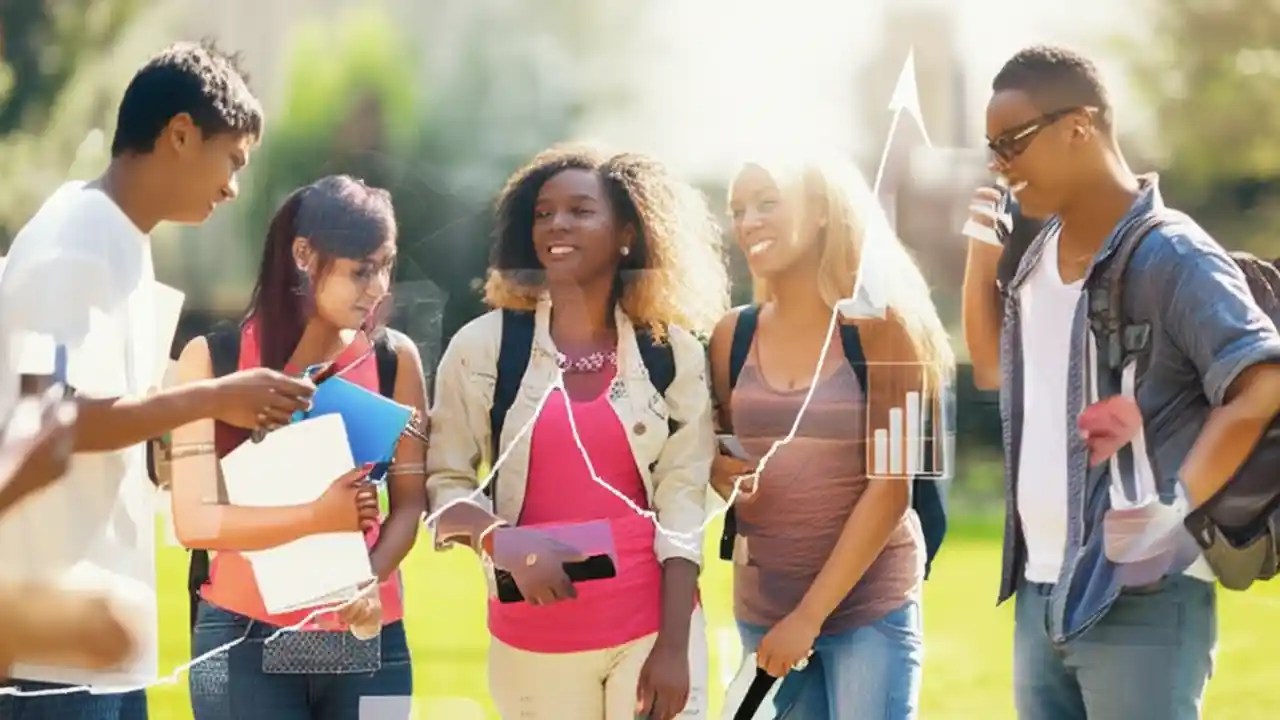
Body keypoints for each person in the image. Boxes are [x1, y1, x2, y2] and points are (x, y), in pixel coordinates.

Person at [0, 40, 319, 720]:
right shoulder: (74, 242)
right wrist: (214, 397)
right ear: (180, 134)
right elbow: (50, 418)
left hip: (100, 631)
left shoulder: (120, 241)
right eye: (231, 159)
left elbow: (113, 422)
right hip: (43, 647)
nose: (233, 186)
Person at [963, 45, 1280, 719]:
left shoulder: (1173, 252)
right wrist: (978, 257)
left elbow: (1262, 380)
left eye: (1011, 142)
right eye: (990, 147)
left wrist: (1174, 508)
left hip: (1143, 596)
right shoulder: (1036, 257)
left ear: (1078, 126)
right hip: (1041, 590)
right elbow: (992, 369)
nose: (999, 164)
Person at [426, 144, 727, 720]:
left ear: (627, 234)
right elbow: (442, 485)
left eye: (580, 210)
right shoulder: (483, 349)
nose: (557, 224)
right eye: (543, 213)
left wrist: (672, 645)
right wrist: (498, 539)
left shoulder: (672, 354)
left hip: (651, 627)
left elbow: (683, 501)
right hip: (533, 640)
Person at [707, 154, 952, 719]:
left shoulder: (884, 330)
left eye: (768, 203)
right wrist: (718, 470)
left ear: (819, 211)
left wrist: (808, 618)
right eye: (739, 209)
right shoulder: (731, 336)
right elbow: (723, 451)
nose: (749, 222)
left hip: (868, 611)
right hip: (763, 610)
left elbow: (892, 488)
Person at [175, 175, 426, 720]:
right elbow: (193, 523)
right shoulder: (211, 362)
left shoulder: (394, 359)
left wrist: (371, 576)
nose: (379, 287)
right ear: (303, 255)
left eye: (387, 266)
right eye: (362, 270)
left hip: (371, 644)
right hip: (238, 639)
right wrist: (317, 517)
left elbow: (409, 502)